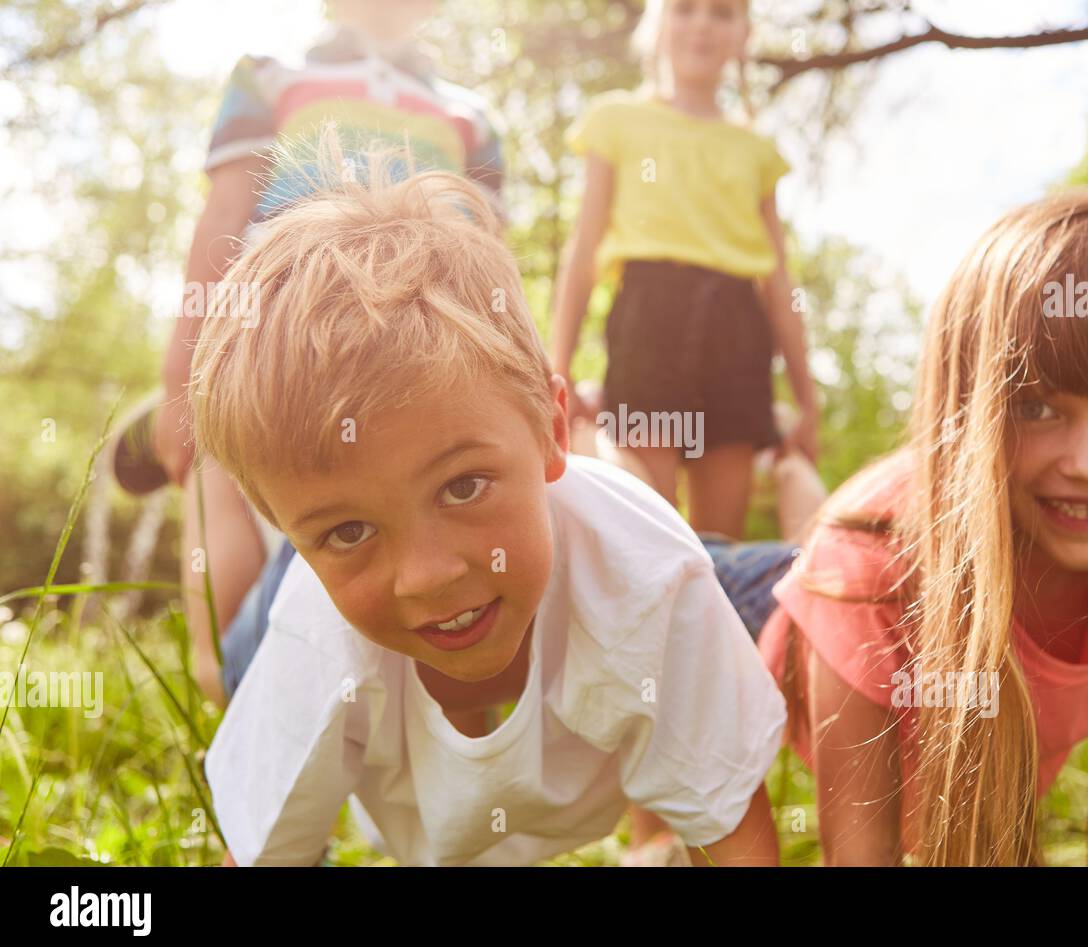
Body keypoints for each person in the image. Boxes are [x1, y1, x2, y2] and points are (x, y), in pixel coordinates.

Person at [193, 136, 786, 867]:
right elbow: (261, 853)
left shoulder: (652, 578)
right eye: (347, 531)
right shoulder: (316, 645)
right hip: (369, 744)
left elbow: (732, 830)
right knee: (237, 666)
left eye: (463, 486)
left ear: (549, 429)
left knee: (784, 585)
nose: (428, 574)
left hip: (636, 615)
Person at [758, 192, 1088, 865]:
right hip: (785, 591)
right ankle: (785, 464)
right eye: (1035, 406)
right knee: (759, 548)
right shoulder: (863, 568)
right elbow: (864, 856)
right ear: (962, 417)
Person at [111, 0, 504, 703]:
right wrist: (182, 379)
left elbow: (490, 251)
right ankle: (225, 679)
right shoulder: (269, 76)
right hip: (282, 317)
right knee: (216, 460)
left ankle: (349, 684)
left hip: (424, 336)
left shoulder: (471, 115)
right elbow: (226, 217)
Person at [550, 0, 817, 543]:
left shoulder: (756, 150)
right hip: (650, 321)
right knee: (652, 533)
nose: (702, 24)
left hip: (739, 334)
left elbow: (780, 283)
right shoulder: (616, 120)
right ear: (659, 23)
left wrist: (806, 398)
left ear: (744, 33)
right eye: (686, 8)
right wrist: (557, 363)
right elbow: (583, 248)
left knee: (717, 545)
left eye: (722, 12)